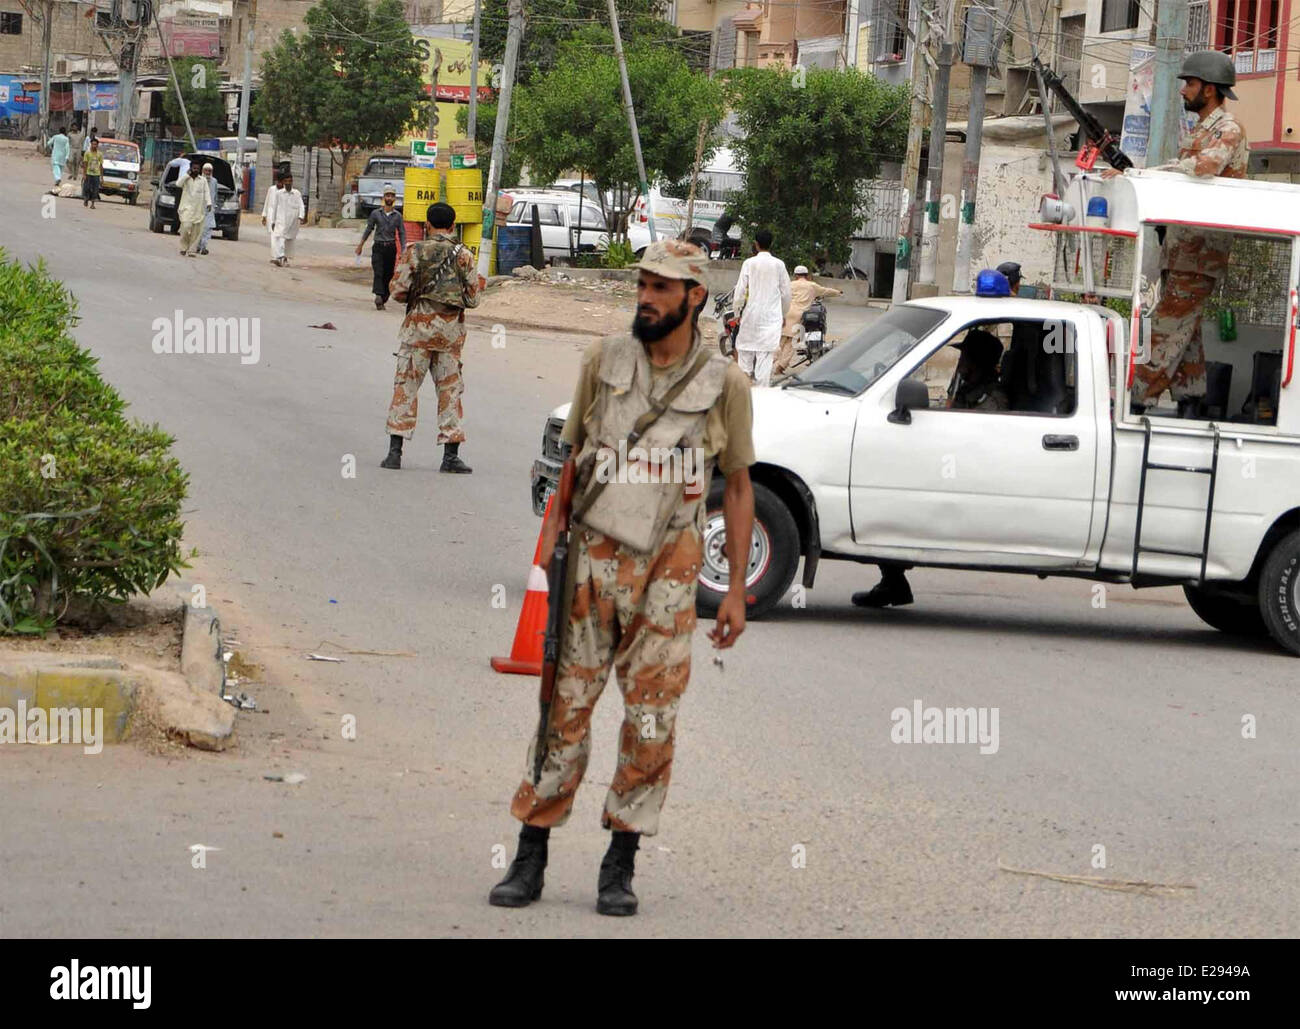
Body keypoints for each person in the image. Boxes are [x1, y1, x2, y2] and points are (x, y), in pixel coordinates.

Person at [488, 240, 755, 917]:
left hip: (671, 573)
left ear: (695, 296)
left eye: (663, 287)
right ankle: (530, 852)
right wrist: (547, 558)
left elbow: (741, 487)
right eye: (642, 283)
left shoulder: (725, 384)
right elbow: (570, 462)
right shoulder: (602, 360)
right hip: (590, 565)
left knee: (652, 719)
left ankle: (620, 862)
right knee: (563, 709)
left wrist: (736, 595)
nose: (647, 297)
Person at [1103, 50, 1248, 414]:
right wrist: (1139, 174)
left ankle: (1137, 397)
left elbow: (1204, 167)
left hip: (1200, 251)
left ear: (1210, 90)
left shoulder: (1227, 130)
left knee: (1167, 327)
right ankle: (1192, 399)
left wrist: (1145, 176)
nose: (1184, 90)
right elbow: (1183, 168)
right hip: (1183, 247)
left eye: (1191, 83)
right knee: (1187, 328)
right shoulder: (1201, 129)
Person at [852, 329, 1007, 610]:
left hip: (971, 477)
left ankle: (893, 578)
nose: (961, 364)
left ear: (982, 363)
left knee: (893, 508)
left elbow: (975, 438)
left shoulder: (994, 398)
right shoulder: (966, 387)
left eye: (967, 358)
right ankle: (893, 581)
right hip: (952, 466)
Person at [380, 202, 483, 473]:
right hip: (449, 337)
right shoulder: (464, 255)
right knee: (449, 392)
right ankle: (450, 457)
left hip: (417, 333)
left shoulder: (415, 252)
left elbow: (399, 290)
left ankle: (395, 453)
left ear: (427, 225)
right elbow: (473, 299)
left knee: (405, 389)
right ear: (453, 225)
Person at [732, 228, 790, 386]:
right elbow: (786, 294)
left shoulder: (749, 264)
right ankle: (761, 394)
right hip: (771, 318)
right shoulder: (779, 265)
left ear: (755, 244)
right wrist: (783, 314)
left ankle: (744, 392)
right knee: (765, 357)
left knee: (744, 353)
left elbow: (740, 290)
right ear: (771, 244)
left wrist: (737, 312)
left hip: (751, 315)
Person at [775, 265, 842, 376]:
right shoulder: (812, 285)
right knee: (791, 344)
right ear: (807, 275)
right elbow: (825, 291)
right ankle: (780, 367)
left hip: (787, 313)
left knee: (780, 342)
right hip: (800, 316)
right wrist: (838, 292)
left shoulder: (790, 285)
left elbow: (781, 296)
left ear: (796, 275)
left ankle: (767, 363)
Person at [356, 184, 406, 309]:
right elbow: (369, 229)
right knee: (378, 271)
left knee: (388, 274)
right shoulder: (375, 214)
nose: (389, 198)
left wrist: (404, 249)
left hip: (390, 247)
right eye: (387, 195)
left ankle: (384, 297)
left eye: (392, 196)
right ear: (383, 198)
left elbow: (402, 233)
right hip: (378, 246)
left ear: (394, 199)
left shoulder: (398, 216)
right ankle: (378, 295)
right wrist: (360, 245)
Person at [262, 172, 305, 267]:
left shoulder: (296, 193)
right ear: (284, 182)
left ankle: (284, 258)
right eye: (286, 181)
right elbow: (275, 208)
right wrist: (272, 220)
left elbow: (301, 205)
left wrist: (301, 216)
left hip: (292, 222)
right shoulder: (278, 193)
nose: (288, 183)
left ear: (292, 182)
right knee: (279, 239)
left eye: (290, 181)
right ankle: (279, 257)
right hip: (280, 220)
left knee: (288, 241)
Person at [177, 163, 209, 257]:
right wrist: (187, 175)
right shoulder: (186, 178)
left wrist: (209, 203)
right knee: (185, 227)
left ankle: (191, 250)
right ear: (191, 168)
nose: (195, 170)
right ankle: (183, 247)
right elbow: (178, 184)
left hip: (198, 209)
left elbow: (206, 191)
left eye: (197, 168)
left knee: (196, 231)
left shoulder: (203, 180)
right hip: (186, 208)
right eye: (194, 168)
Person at [197, 163, 219, 254]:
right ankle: (198, 246)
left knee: (208, 228)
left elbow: (215, 194)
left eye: (209, 171)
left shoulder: (214, 181)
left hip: (210, 209)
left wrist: (215, 205)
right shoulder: (199, 180)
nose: (208, 172)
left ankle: (203, 247)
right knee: (199, 229)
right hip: (199, 208)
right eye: (206, 170)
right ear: (202, 171)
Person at [81, 138, 103, 209]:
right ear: (91, 144)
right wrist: (84, 174)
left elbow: (101, 165)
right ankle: (86, 199)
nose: (94, 146)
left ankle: (93, 203)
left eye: (95, 144)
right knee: (87, 188)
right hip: (88, 173)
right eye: (93, 144)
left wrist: (101, 177)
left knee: (95, 190)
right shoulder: (87, 153)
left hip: (96, 174)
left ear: (97, 145)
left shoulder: (100, 154)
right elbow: (85, 164)